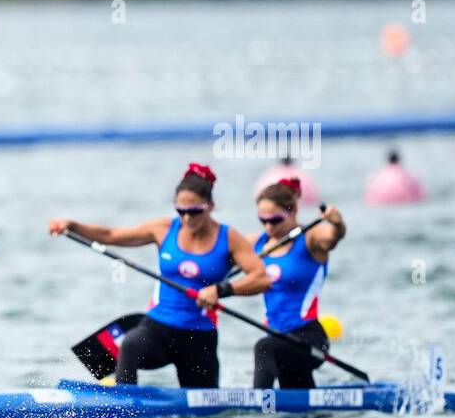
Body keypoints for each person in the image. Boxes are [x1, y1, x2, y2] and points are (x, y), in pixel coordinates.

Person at [48, 163, 269, 387]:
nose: (187, 219)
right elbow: (111, 234)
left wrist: (221, 290)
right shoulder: (163, 229)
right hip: (158, 328)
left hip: (199, 336)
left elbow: (261, 278)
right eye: (181, 211)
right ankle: (125, 410)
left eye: (194, 211)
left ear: (210, 206)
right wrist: (73, 226)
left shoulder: (229, 238)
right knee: (130, 345)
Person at [250, 178, 346, 388]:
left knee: (263, 348)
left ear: (293, 211)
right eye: (262, 220)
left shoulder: (310, 238)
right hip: (278, 338)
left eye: (275, 220)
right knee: (299, 410)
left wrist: (337, 223)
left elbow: (332, 238)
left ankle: (257, 407)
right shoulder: (259, 243)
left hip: (309, 339)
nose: (268, 226)